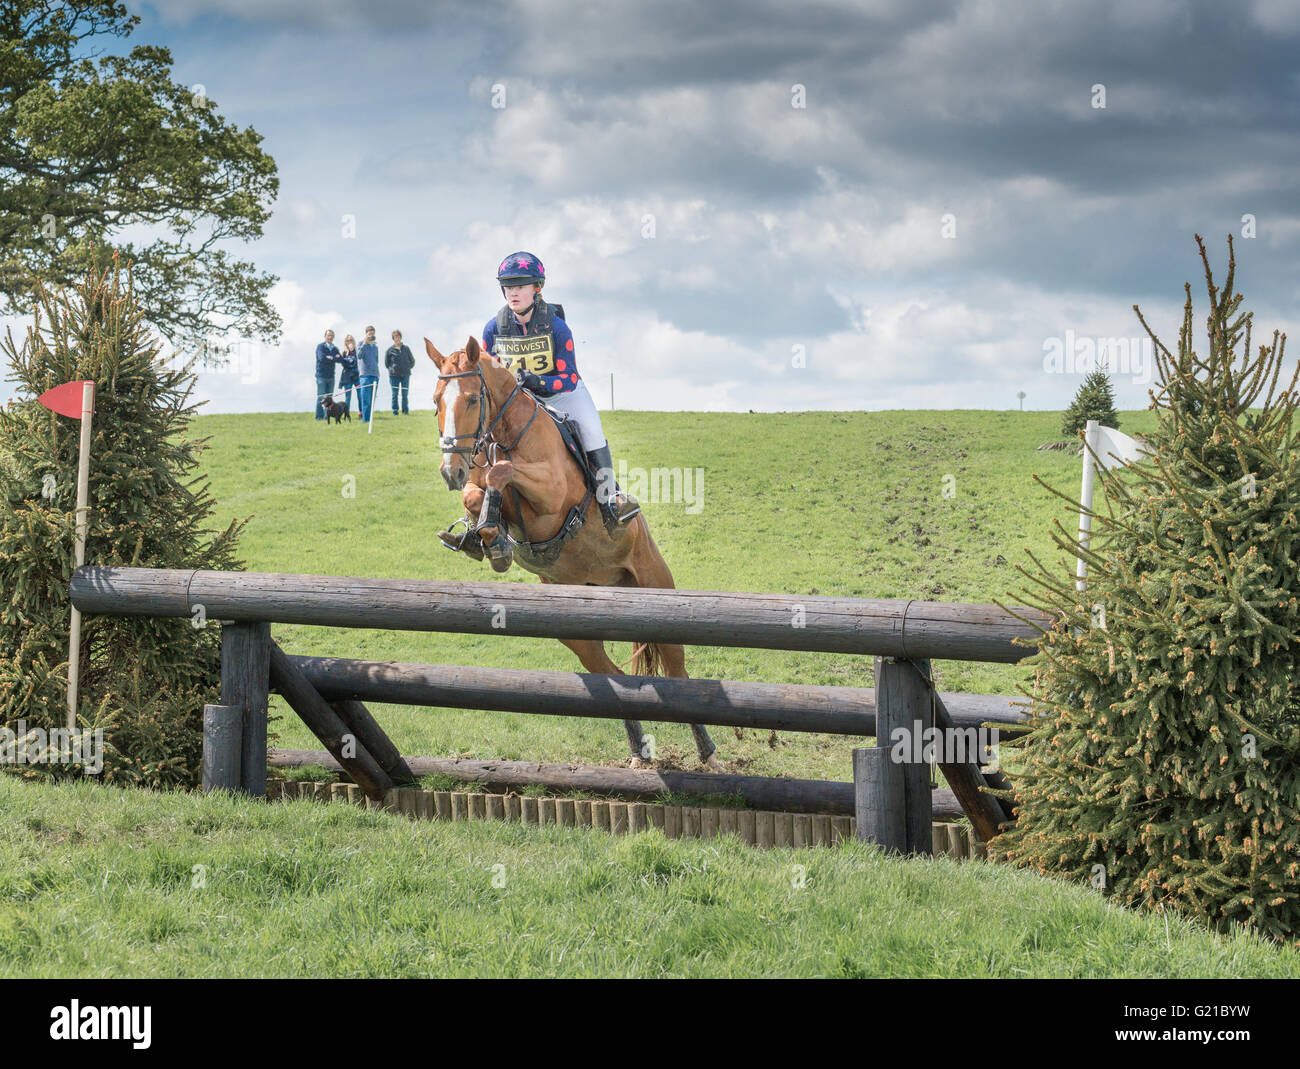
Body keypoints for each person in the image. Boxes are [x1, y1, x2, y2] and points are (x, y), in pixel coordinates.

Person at [482, 251, 639, 525]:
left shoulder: (557, 327)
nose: (513, 293)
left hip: (562, 395)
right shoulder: (493, 329)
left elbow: (568, 377)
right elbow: (489, 376)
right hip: (519, 403)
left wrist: (538, 381)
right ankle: (480, 520)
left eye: (520, 286)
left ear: (537, 288)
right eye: (508, 287)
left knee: (591, 431)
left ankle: (611, 501)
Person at [386, 330, 414, 414]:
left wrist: (407, 368)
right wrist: (393, 370)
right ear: (393, 339)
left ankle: (405, 411)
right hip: (394, 376)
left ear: (400, 338)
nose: (397, 338)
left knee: (405, 394)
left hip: (405, 375)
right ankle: (395, 411)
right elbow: (387, 363)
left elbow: (412, 360)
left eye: (398, 337)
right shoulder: (390, 350)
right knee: (395, 394)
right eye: (395, 337)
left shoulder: (406, 348)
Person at [314, 330, 341, 420]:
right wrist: (333, 358)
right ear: (325, 336)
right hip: (321, 376)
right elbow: (322, 358)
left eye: (332, 335)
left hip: (331, 376)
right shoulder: (320, 347)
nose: (330, 337)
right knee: (321, 398)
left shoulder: (335, 348)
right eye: (328, 335)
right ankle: (319, 417)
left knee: (329, 398)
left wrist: (330, 357)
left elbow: (339, 359)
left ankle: (327, 416)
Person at [357, 325, 380, 423]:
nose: (371, 335)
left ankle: (370, 420)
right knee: (365, 400)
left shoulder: (375, 346)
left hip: (375, 375)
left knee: (372, 400)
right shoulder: (360, 344)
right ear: (366, 334)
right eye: (369, 333)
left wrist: (378, 372)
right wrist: (365, 343)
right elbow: (359, 355)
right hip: (365, 376)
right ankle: (365, 421)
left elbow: (376, 360)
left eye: (372, 333)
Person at [337, 334, 360, 417]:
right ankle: (347, 413)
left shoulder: (357, 351)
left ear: (353, 341)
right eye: (347, 340)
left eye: (351, 340)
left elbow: (359, 362)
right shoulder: (343, 352)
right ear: (345, 342)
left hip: (357, 376)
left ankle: (361, 412)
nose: (349, 342)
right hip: (347, 377)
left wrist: (353, 352)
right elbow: (343, 363)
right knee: (348, 397)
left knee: (360, 395)